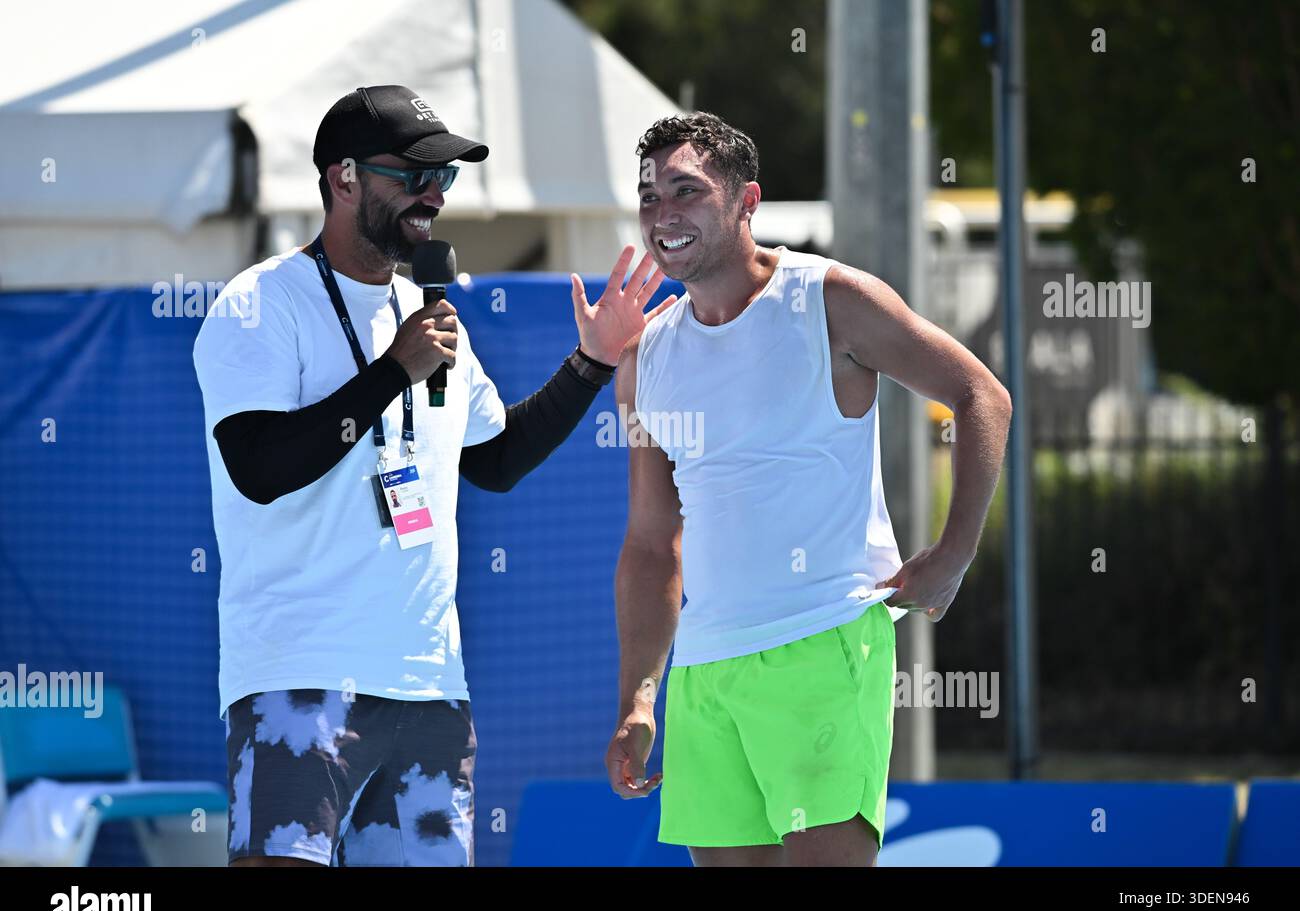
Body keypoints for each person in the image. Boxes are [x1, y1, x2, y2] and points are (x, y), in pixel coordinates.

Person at [193, 85, 675, 867]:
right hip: (300, 677)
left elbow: (496, 460)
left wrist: (594, 361)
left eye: (443, 179)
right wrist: (392, 371)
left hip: (429, 689)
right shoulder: (261, 304)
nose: (431, 196)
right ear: (341, 178)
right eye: (411, 175)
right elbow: (259, 467)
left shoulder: (428, 312)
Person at [605, 112, 1012, 867]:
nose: (664, 216)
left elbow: (980, 396)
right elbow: (651, 542)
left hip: (824, 643)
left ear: (746, 200)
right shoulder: (644, 359)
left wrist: (954, 554)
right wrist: (638, 697)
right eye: (649, 198)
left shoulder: (829, 300)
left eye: (686, 192)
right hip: (705, 671)